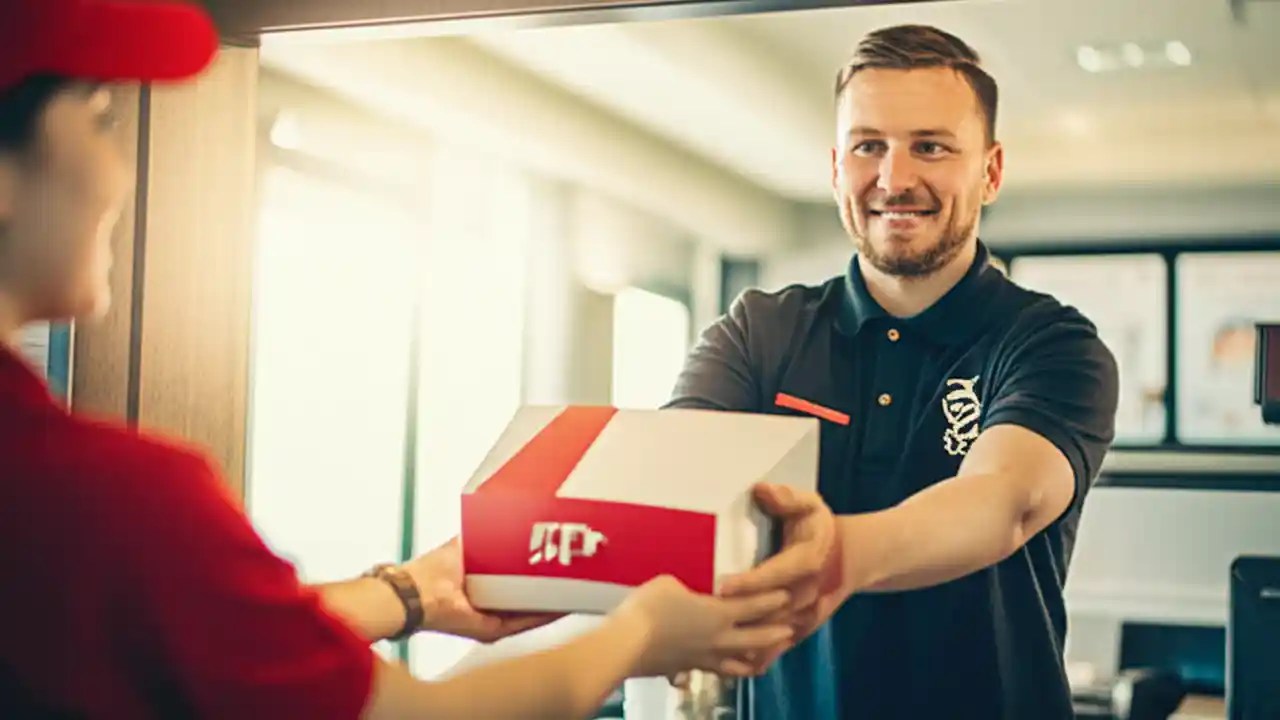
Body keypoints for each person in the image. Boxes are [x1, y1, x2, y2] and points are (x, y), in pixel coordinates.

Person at [0, 1, 795, 717]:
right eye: (101, 119)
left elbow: (199, 627)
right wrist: (639, 635)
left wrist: (412, 594)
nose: (121, 173)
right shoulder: (115, 498)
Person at [666, 24, 1120, 720]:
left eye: (930, 147)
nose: (894, 179)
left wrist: (832, 553)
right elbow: (669, 478)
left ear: (991, 172)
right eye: (868, 146)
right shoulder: (762, 331)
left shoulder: (1051, 345)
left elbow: (1000, 502)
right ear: (836, 166)